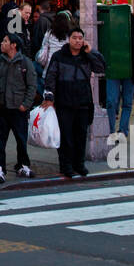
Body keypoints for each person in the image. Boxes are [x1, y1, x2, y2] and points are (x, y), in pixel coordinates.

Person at [43, 27, 106, 179]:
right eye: (74, 38)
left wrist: (92, 52)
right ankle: (66, 166)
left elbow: (101, 68)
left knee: (81, 136)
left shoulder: (86, 56)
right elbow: (51, 76)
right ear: (68, 39)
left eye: (80, 38)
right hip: (64, 103)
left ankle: (79, 164)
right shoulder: (59, 56)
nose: (78, 40)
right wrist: (50, 97)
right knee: (66, 137)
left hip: (83, 102)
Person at [0, 32, 36, 182]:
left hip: (18, 108)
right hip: (2, 107)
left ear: (13, 45)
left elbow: (32, 86)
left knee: (21, 139)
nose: (2, 43)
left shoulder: (25, 62)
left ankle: (23, 165)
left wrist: (25, 105)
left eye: (5, 41)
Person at [105, 13, 134, 138]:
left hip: (127, 69)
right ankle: (114, 130)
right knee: (113, 102)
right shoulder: (116, 28)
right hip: (118, 69)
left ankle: (121, 131)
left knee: (123, 102)